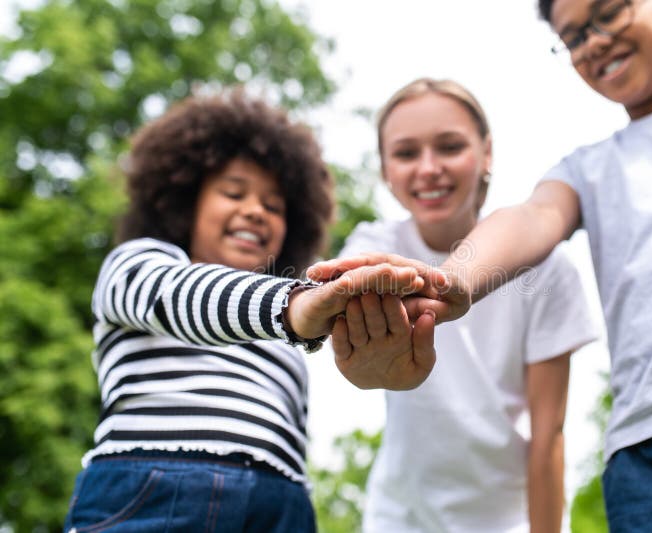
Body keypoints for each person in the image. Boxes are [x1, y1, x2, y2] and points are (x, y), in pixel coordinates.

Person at [312, 0, 652, 531]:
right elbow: (535, 215)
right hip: (644, 453)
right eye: (574, 37)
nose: (594, 42)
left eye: (610, 13)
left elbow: (550, 437)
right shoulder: (584, 169)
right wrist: (455, 280)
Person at [62, 88, 443, 533]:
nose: (255, 212)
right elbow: (178, 294)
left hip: (280, 504)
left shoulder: (291, 344)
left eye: (273, 206)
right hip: (153, 487)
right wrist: (293, 307)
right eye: (233, 193)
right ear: (186, 203)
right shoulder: (136, 263)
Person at [334, 78, 597, 533]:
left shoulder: (547, 270)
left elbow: (548, 434)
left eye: (450, 146)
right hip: (398, 518)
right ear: (385, 170)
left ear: (487, 153)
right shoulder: (374, 245)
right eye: (406, 153)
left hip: (507, 521)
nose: (429, 168)